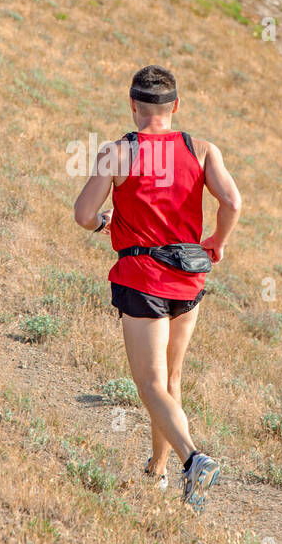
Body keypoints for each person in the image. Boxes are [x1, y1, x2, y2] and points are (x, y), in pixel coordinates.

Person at [72, 64, 242, 510]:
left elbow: (83, 214)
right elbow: (232, 201)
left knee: (149, 384)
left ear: (132, 106)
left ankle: (192, 460)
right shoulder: (201, 149)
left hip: (143, 279)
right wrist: (218, 244)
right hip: (188, 279)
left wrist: (102, 223)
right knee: (170, 380)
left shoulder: (117, 153)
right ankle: (157, 473)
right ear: (175, 107)